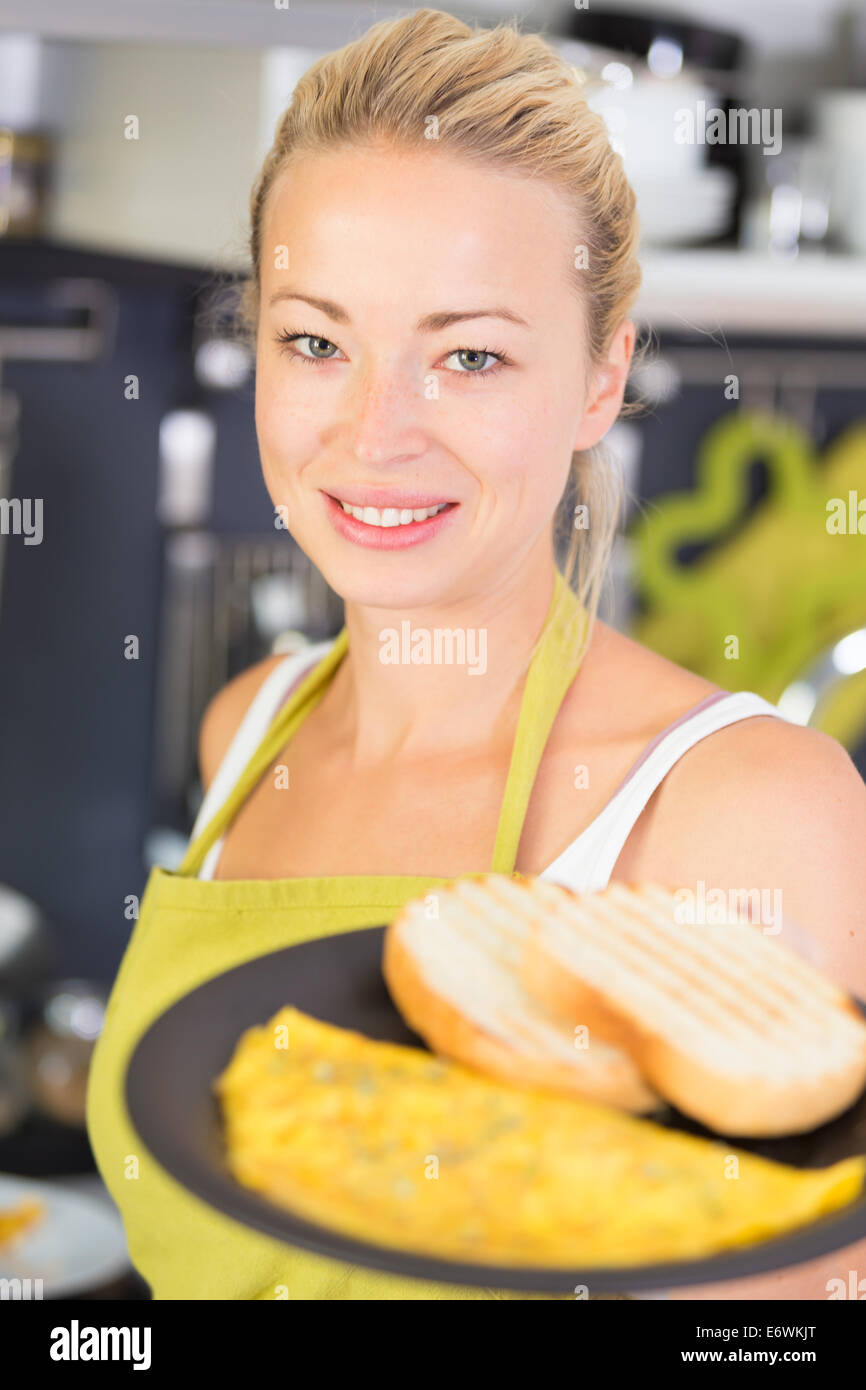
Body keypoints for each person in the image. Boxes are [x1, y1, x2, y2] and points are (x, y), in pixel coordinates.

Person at [86, 8, 866, 1300]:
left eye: (468, 355)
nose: (374, 432)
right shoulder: (251, 730)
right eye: (317, 341)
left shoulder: (746, 811)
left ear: (600, 379)